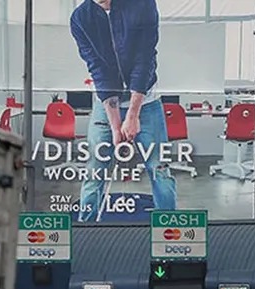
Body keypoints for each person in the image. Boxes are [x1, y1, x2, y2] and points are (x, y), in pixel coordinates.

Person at [70, 0, 177, 222]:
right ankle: (85, 231)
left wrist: (133, 114)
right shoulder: (80, 18)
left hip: (146, 102)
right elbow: (98, 70)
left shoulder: (142, 4)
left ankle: (168, 231)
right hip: (105, 105)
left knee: (160, 169)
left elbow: (144, 60)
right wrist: (115, 125)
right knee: (94, 170)